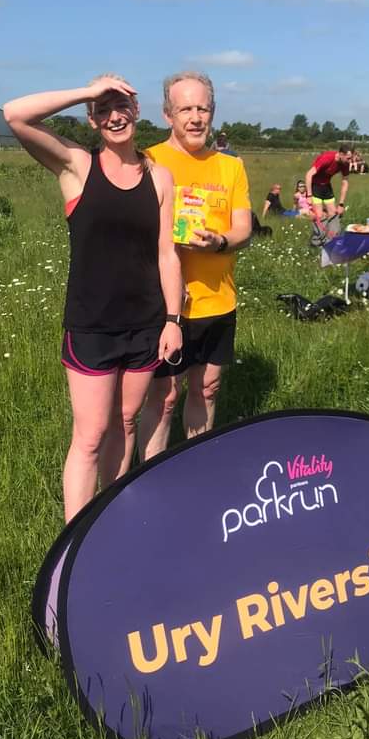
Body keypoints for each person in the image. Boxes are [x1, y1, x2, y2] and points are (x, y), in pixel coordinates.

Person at [3, 76, 183, 521]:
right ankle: (74, 540)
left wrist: (174, 319)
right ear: (91, 118)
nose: (114, 116)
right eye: (102, 109)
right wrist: (88, 90)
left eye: (121, 106)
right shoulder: (77, 167)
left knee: (125, 423)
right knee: (89, 435)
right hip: (92, 325)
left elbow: (166, 254)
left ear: (136, 112)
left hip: (145, 324)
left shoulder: (160, 177)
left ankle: (111, 517)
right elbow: (15, 114)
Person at [139, 72, 252, 458]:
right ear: (167, 114)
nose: (195, 117)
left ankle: (197, 467)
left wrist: (220, 242)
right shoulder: (150, 160)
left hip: (218, 299)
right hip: (165, 305)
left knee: (207, 388)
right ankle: (148, 477)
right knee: (165, 396)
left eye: (202, 108)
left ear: (213, 112)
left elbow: (244, 227)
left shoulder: (230, 166)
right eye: (185, 108)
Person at [305, 144, 352, 221]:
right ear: (341, 154)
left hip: (326, 186)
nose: (350, 161)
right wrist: (309, 196)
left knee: (334, 215)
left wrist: (341, 204)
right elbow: (309, 174)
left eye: (351, 158)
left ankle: (332, 232)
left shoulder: (345, 164)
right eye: (348, 158)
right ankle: (306, 215)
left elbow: (345, 182)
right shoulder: (327, 158)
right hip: (315, 187)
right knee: (319, 216)